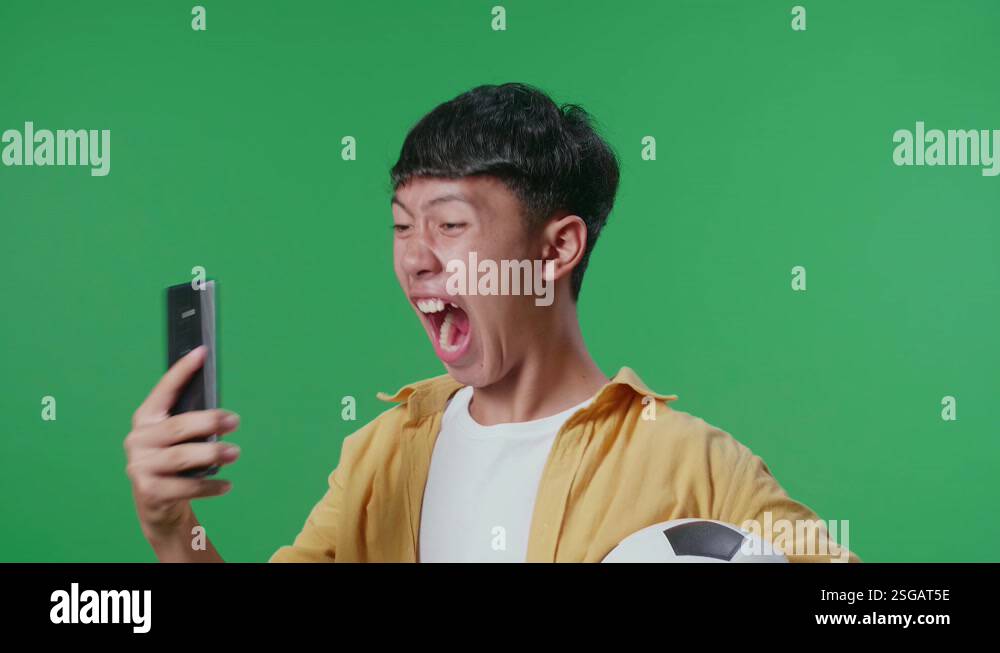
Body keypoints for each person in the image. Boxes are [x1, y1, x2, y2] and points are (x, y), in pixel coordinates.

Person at [124, 82, 859, 563]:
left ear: (557, 248)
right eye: (401, 225)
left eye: (448, 224)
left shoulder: (696, 463)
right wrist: (171, 526)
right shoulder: (383, 453)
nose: (414, 258)